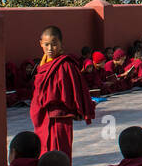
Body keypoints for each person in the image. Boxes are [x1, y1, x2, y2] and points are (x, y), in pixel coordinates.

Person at [30, 25, 96, 159]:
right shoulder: (42, 65)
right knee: (43, 155)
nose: (50, 49)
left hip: (59, 119)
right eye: (46, 44)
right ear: (41, 44)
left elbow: (77, 90)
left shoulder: (66, 65)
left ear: (61, 44)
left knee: (58, 155)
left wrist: (79, 110)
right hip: (42, 117)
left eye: (54, 44)